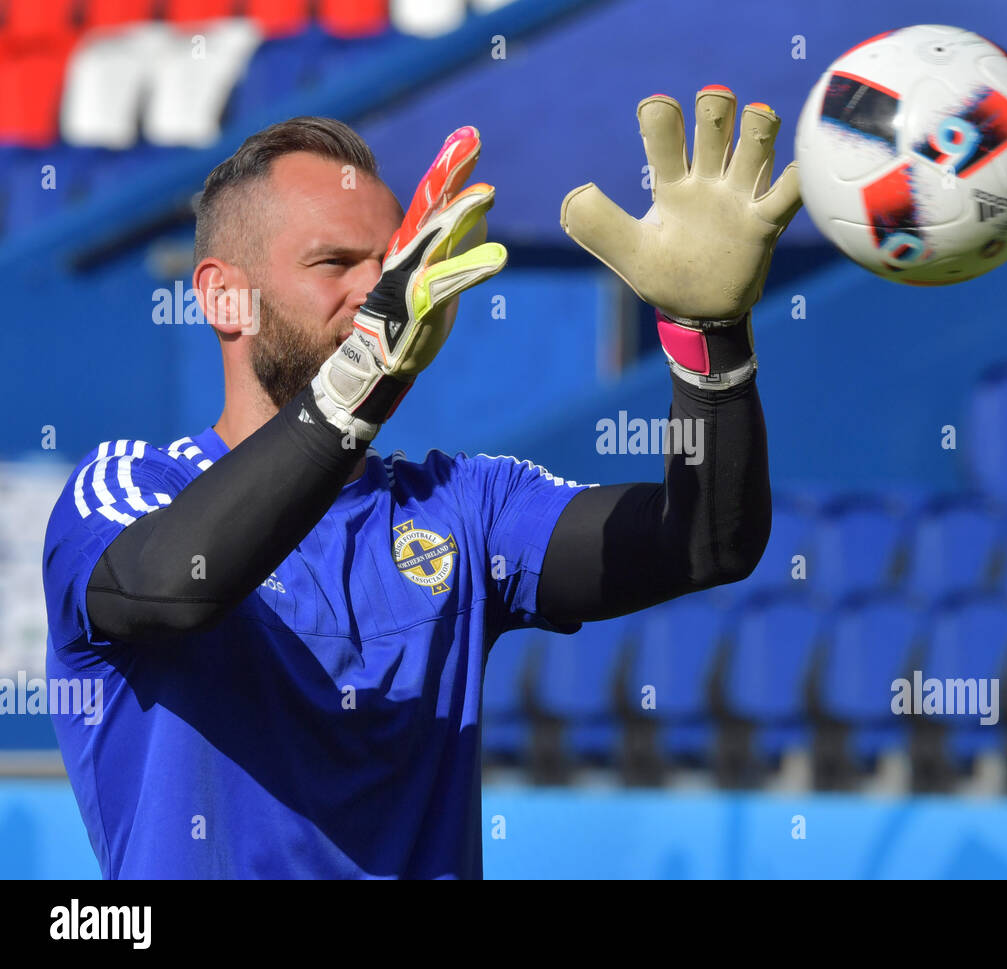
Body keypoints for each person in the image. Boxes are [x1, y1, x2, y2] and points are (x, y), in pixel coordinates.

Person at [42, 86, 801, 878]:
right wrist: (364, 374)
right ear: (221, 296)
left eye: (391, 263)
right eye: (335, 264)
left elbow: (704, 541)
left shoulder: (464, 507)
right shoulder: (128, 486)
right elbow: (175, 585)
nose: (378, 293)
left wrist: (708, 342)